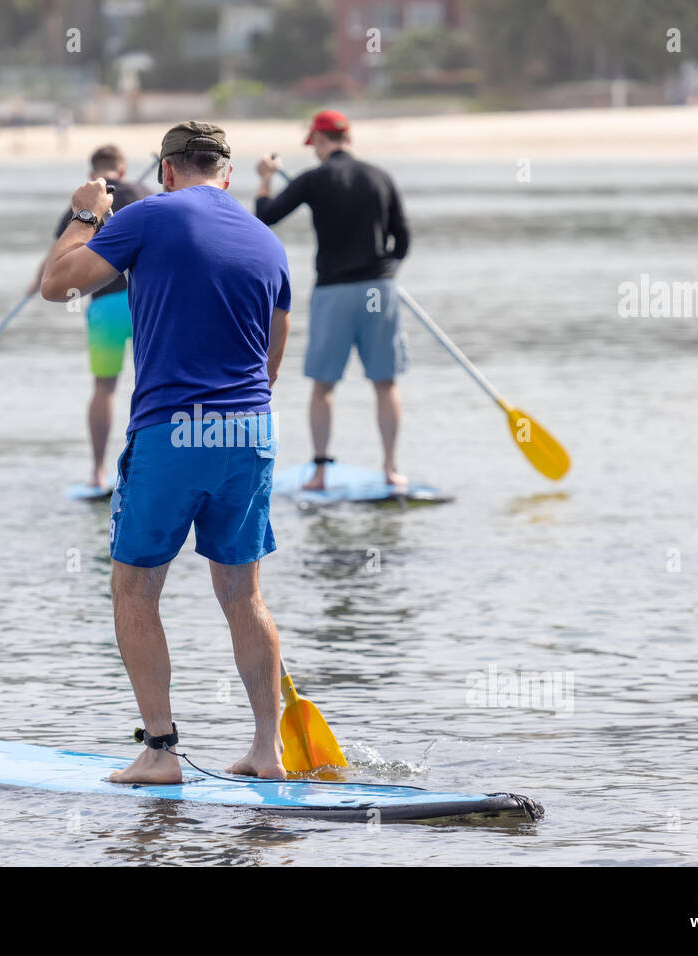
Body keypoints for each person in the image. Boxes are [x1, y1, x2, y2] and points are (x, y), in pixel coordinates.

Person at [40, 122, 292, 785]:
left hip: (172, 431)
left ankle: (160, 751)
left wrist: (83, 215)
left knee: (134, 587)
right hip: (250, 432)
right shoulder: (268, 240)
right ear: (228, 174)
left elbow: (58, 284)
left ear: (169, 169)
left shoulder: (147, 215)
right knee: (243, 595)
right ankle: (268, 751)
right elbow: (276, 346)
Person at [255, 109, 411, 491]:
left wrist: (264, 180)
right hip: (379, 289)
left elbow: (266, 217)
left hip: (333, 291)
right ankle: (391, 469)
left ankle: (321, 472)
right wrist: (385, 272)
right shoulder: (380, 177)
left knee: (324, 386)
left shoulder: (314, 180)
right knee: (385, 382)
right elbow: (402, 239)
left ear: (321, 140)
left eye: (315, 144)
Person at [27, 144, 152, 490]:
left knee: (104, 389)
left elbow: (59, 255)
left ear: (91, 177)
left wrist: (34, 284)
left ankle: (98, 471)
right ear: (123, 170)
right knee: (152, 384)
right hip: (148, 305)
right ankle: (148, 470)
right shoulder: (146, 195)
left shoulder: (84, 203)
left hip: (105, 306)